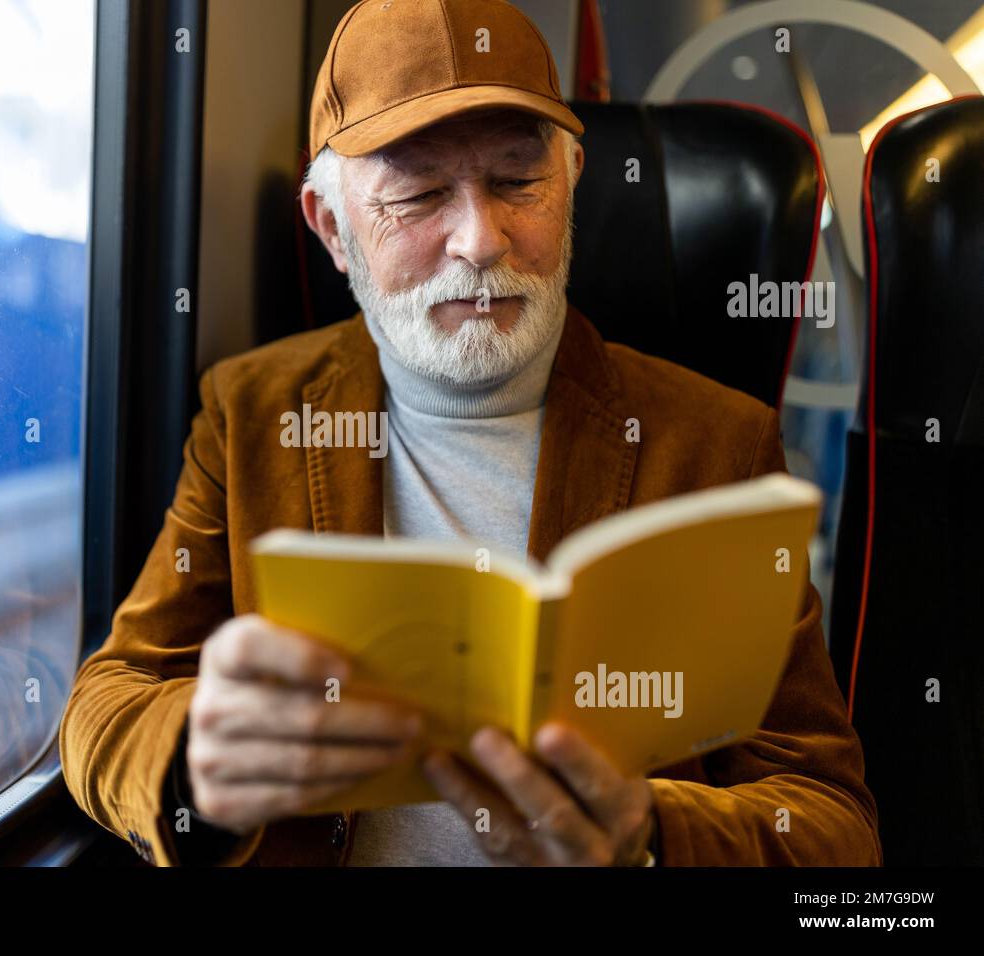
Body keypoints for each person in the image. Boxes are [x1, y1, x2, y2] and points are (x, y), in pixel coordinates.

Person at [59, 0, 881, 867]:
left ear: (571, 185)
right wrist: (197, 762)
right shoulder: (252, 413)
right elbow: (108, 702)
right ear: (333, 228)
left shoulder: (720, 446)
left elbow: (829, 819)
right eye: (417, 195)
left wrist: (651, 833)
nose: (480, 242)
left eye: (519, 182)